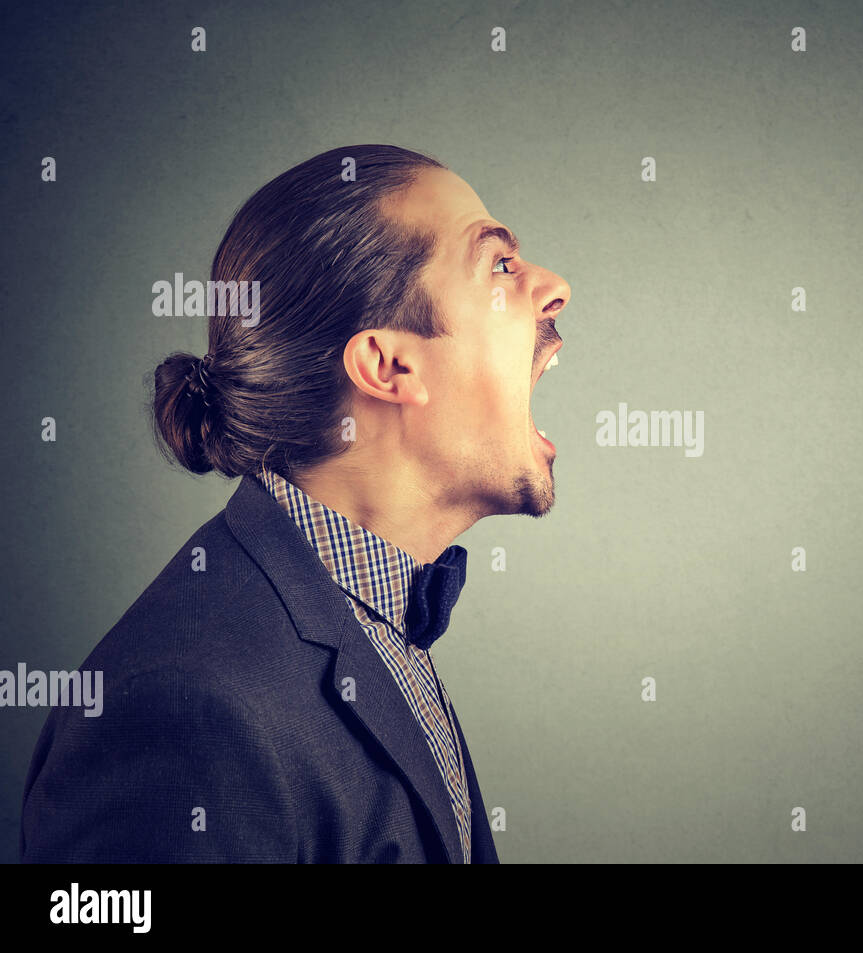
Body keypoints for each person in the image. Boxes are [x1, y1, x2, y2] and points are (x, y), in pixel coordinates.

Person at [20, 144, 571, 863]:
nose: (553, 286)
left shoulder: (379, 625)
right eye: (498, 264)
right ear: (387, 365)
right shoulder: (184, 710)